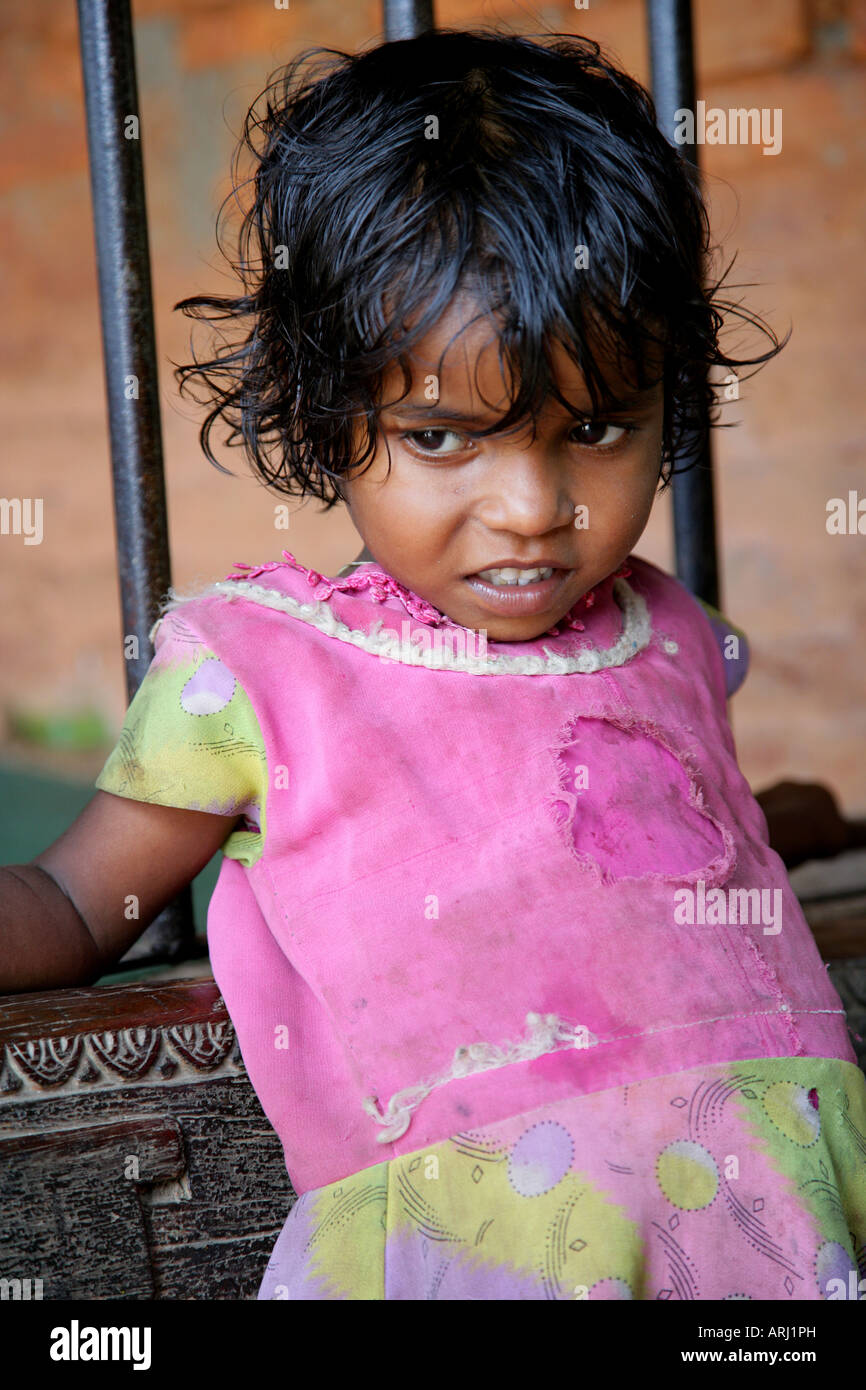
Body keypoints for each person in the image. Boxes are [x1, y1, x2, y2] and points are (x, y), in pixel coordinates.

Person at [3, 29, 865, 1301]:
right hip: (481, 1257)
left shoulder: (667, 631)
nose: (530, 506)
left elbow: (655, 847)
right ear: (319, 414)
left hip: (778, 1236)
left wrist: (779, 824)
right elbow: (81, 904)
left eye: (598, 427)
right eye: (443, 434)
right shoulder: (260, 671)